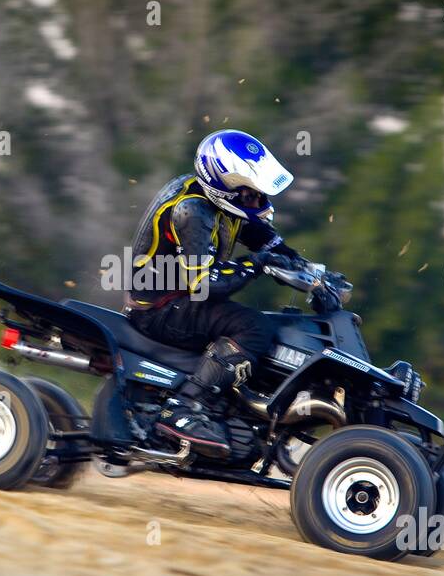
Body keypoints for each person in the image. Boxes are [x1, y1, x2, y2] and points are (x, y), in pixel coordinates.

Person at [123, 128, 320, 456]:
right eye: (252, 194)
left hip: (181, 298)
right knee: (253, 327)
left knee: (266, 322)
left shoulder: (225, 206)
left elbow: (266, 240)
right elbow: (205, 284)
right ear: (226, 189)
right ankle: (182, 408)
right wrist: (257, 265)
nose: (260, 202)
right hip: (159, 307)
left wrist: (314, 275)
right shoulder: (193, 212)